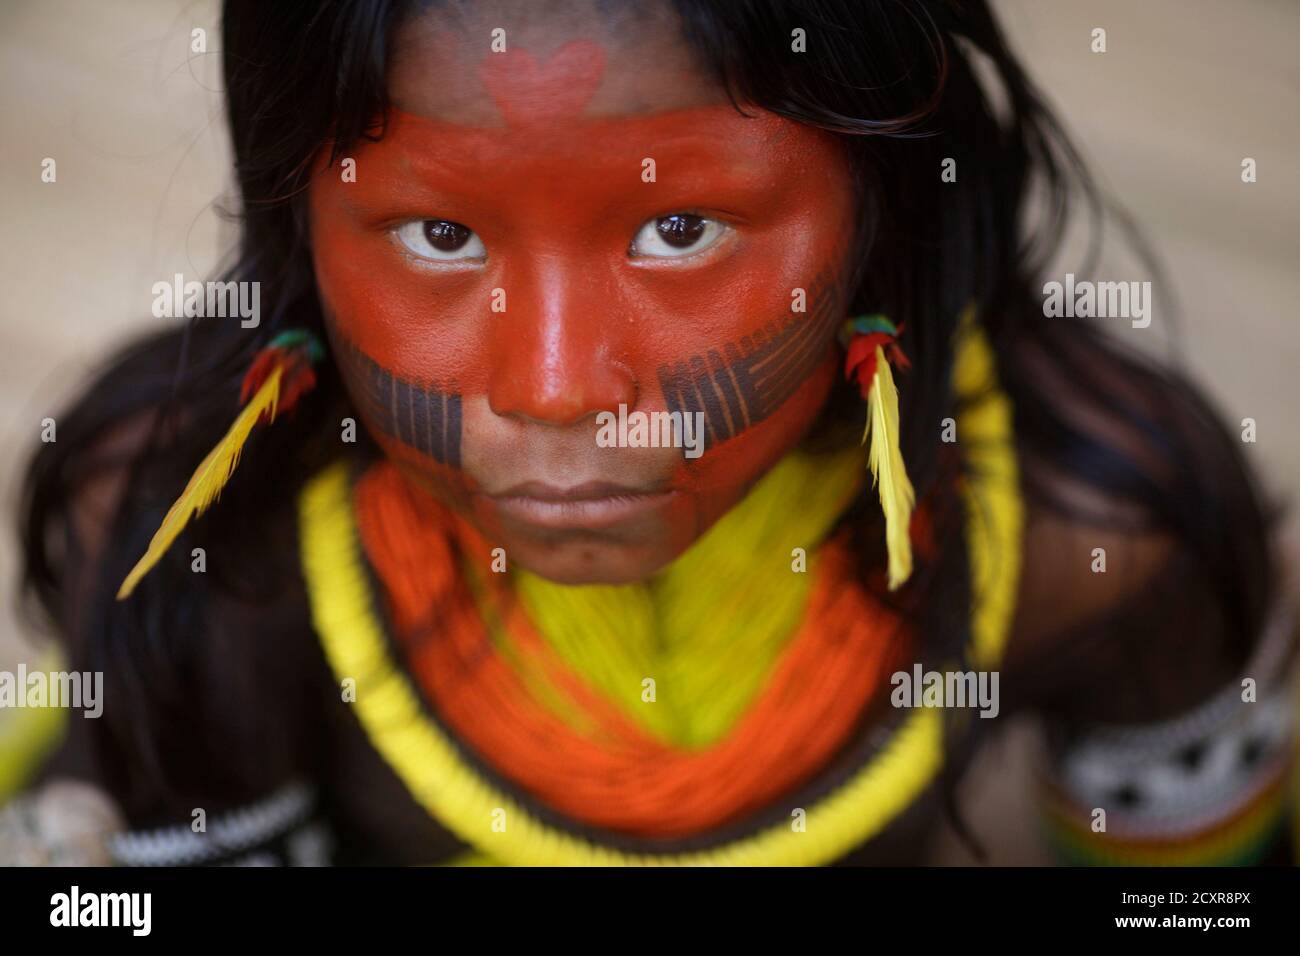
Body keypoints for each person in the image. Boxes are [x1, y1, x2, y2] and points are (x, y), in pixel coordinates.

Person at [2, 0, 1292, 866]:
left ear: (879, 206)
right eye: (441, 236)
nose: (558, 387)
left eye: (681, 230)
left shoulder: (1099, 540)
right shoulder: (199, 549)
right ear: (301, 234)